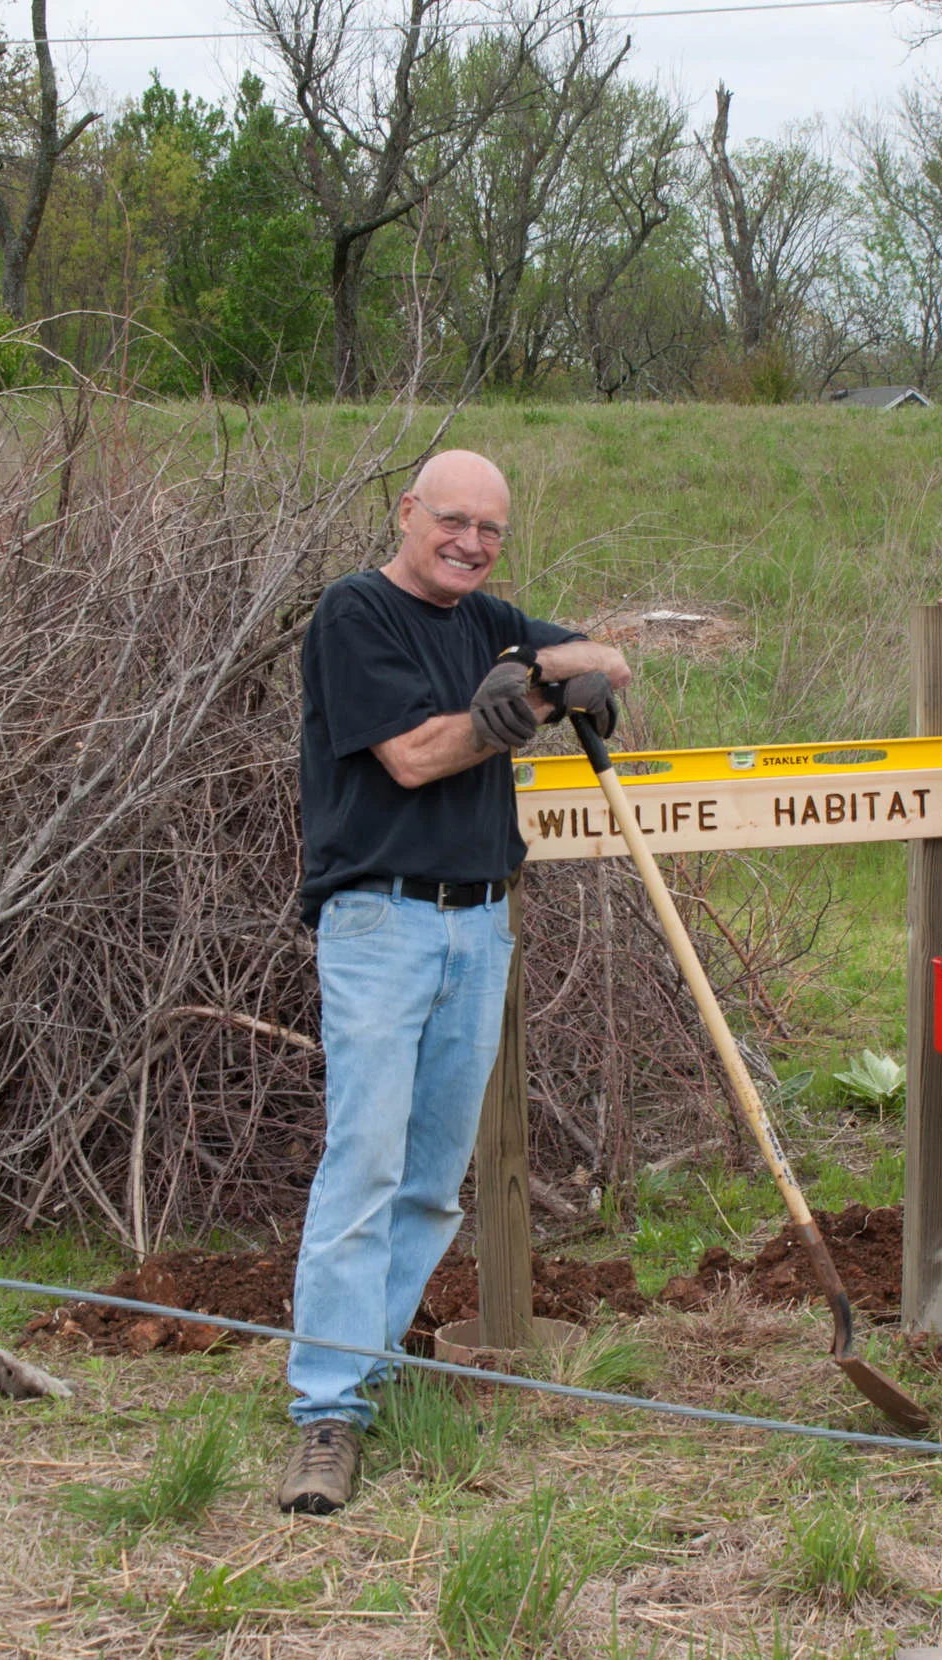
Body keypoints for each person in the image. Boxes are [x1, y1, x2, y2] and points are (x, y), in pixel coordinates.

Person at [277, 449, 632, 1516]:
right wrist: (504, 714)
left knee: (433, 1178)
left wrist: (554, 677)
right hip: (380, 921)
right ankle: (325, 1409)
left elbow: (610, 655)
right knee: (365, 1164)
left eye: (490, 529)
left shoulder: (489, 621)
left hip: (480, 924)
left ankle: (368, 1367)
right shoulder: (355, 614)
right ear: (407, 512)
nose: (470, 543)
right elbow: (413, 759)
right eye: (452, 521)